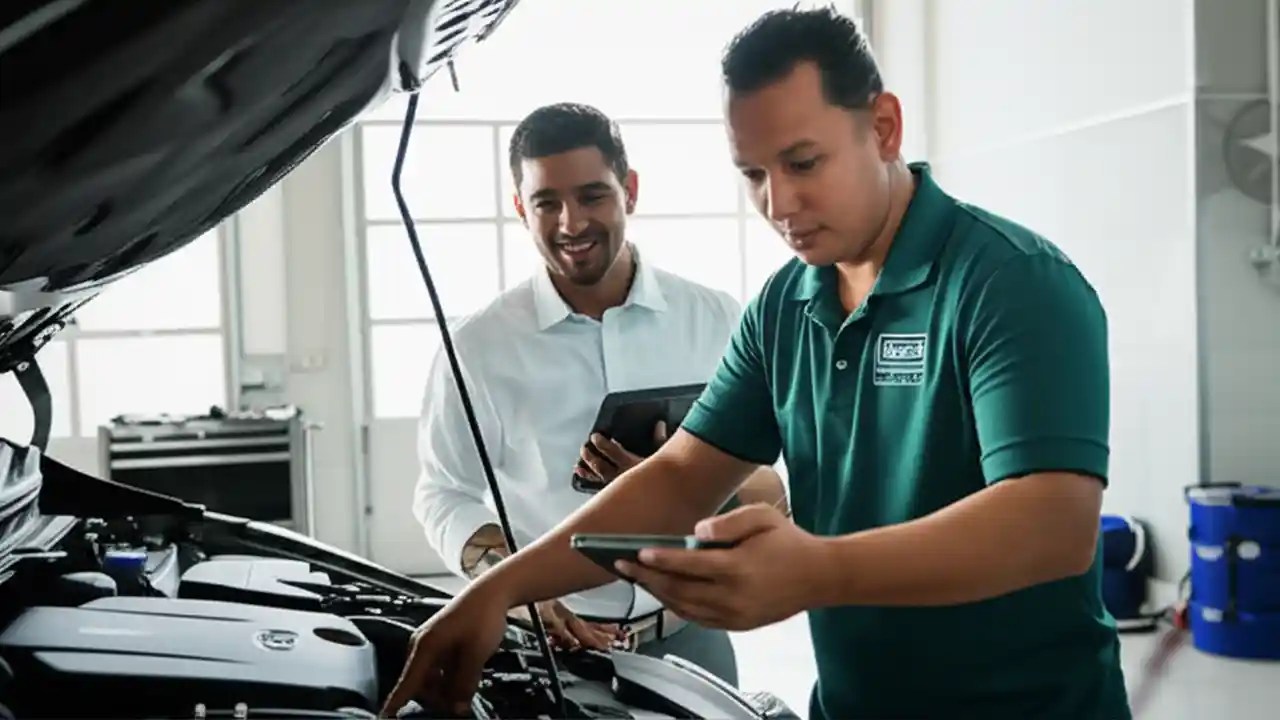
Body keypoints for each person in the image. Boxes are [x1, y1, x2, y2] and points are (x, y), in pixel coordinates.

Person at [387, 9, 1128, 720]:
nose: (779, 203)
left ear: (884, 128)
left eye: (804, 163)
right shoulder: (785, 305)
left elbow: (1051, 523)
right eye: (752, 174)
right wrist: (495, 591)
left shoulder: (1012, 283)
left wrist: (817, 570)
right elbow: (681, 477)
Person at [411, 101, 786, 688]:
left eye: (592, 196)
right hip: (551, 650)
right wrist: (511, 587)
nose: (570, 223)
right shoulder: (478, 347)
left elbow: (772, 486)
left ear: (629, 190)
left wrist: (684, 484)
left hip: (695, 636)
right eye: (546, 203)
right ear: (520, 208)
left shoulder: (716, 319)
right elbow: (442, 493)